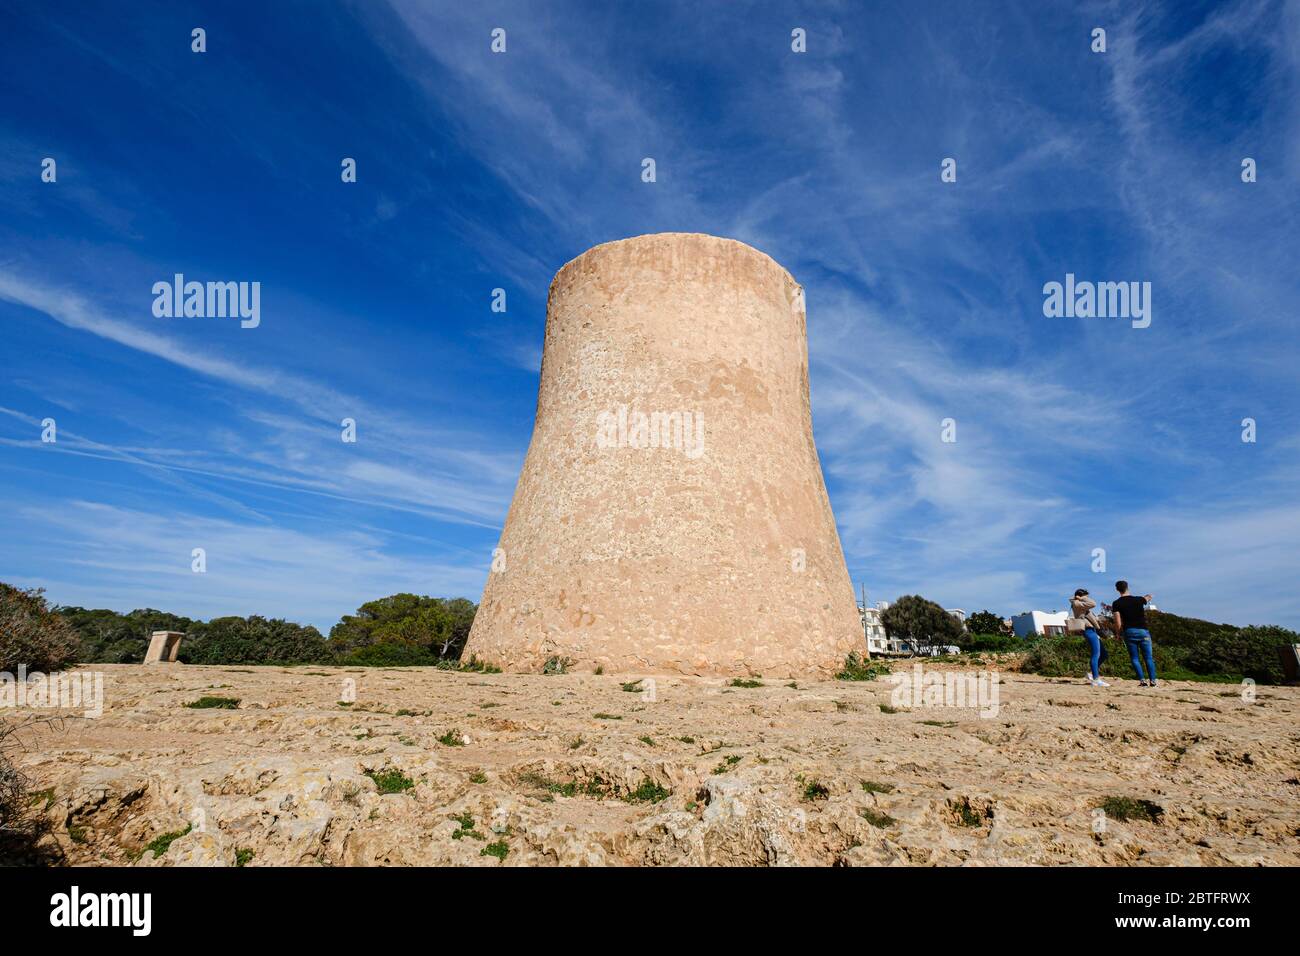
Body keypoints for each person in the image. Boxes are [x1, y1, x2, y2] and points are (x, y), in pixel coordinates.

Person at [1112, 580, 1156, 686]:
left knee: (1135, 658)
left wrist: (1118, 634)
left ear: (1117, 590)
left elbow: (1118, 622)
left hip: (1129, 631)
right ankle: (1153, 681)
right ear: (1127, 587)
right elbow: (1147, 598)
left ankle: (1142, 681)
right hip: (1143, 631)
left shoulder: (1116, 603)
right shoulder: (1139, 600)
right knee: (1148, 657)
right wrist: (1149, 596)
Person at [1070, 588, 1109, 686]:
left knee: (1104, 654)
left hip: (1093, 630)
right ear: (1080, 596)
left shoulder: (1080, 604)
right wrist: (1081, 598)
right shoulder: (1077, 603)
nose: (1087, 597)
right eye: (1086, 596)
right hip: (1088, 630)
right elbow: (1093, 603)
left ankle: (1092, 673)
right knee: (1096, 654)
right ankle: (1096, 679)